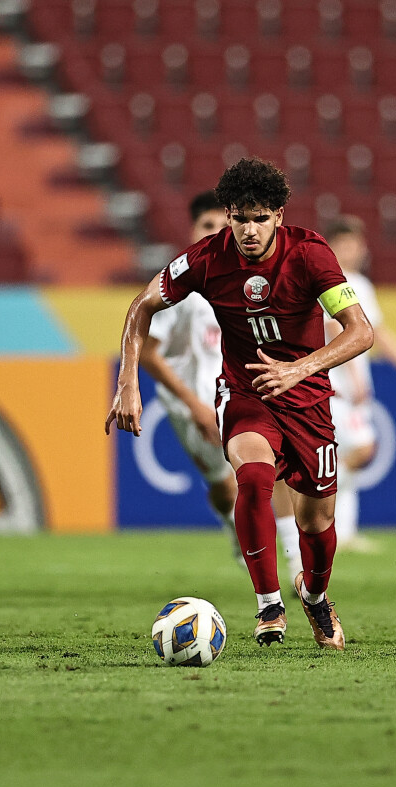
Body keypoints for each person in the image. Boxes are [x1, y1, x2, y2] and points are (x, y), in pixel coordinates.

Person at [107, 157, 374, 651]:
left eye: (260, 218)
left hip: (308, 397)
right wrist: (127, 380)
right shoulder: (206, 259)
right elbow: (141, 305)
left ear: (278, 216)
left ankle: (314, 595)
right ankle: (268, 603)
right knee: (250, 475)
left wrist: (298, 369)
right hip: (246, 390)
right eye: (239, 218)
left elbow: (361, 332)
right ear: (228, 216)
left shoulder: (311, 254)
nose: (249, 230)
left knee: (317, 521)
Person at [321, 215, 396, 552]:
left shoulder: (362, 286)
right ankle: (324, 520)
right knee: (361, 451)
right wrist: (355, 376)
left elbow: (378, 333)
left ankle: (342, 531)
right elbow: (334, 329)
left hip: (352, 387)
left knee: (345, 455)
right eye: (343, 244)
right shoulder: (328, 283)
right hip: (335, 385)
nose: (350, 251)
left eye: (355, 244)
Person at [138, 191, 237, 555]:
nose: (216, 233)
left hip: (235, 393)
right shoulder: (177, 284)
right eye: (207, 226)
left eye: (223, 226)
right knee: (226, 487)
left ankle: (291, 566)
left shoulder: (243, 280)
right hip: (191, 403)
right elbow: (149, 353)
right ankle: (236, 533)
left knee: (270, 472)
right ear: (192, 230)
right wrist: (195, 405)